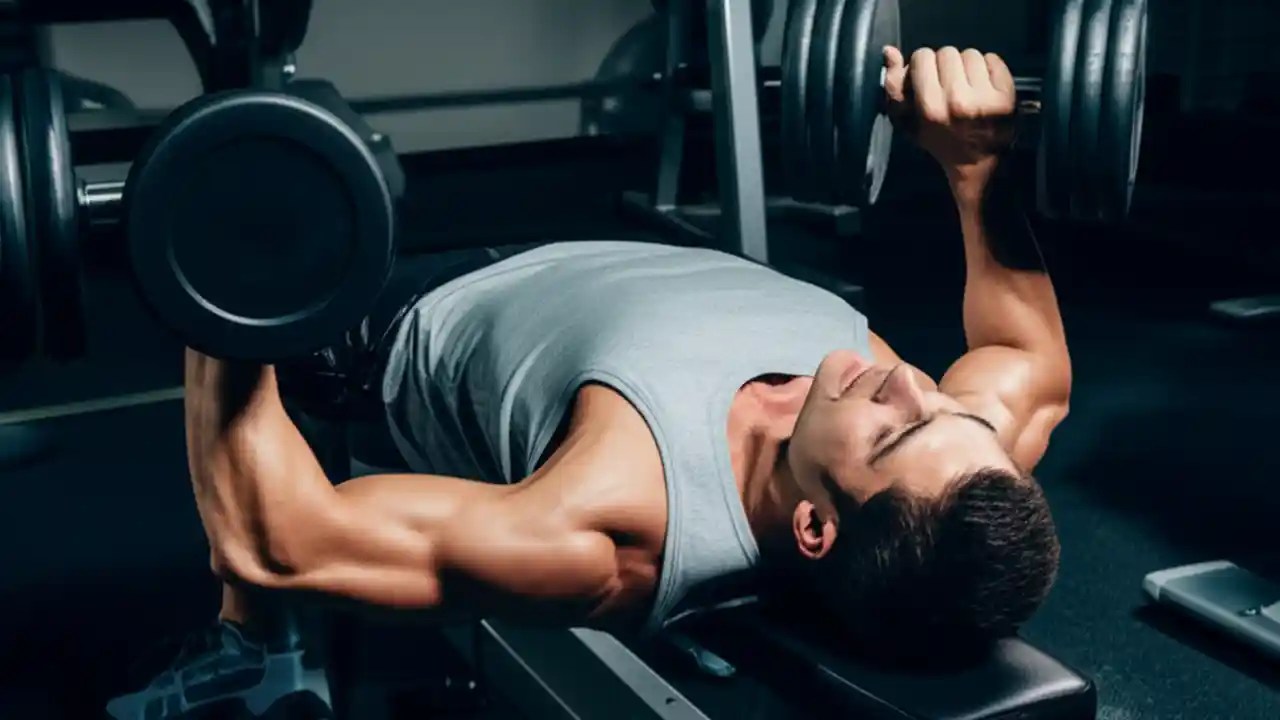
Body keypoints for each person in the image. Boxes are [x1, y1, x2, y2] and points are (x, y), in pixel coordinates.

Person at [108, 46, 1069, 718]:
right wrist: (980, 170)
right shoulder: (961, 459)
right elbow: (1033, 369)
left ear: (817, 527)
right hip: (596, 269)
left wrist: (227, 277)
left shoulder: (615, 528)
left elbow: (282, 541)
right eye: (947, 404)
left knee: (290, 297)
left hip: (406, 322)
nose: (914, 384)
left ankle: (250, 659)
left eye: (897, 429)